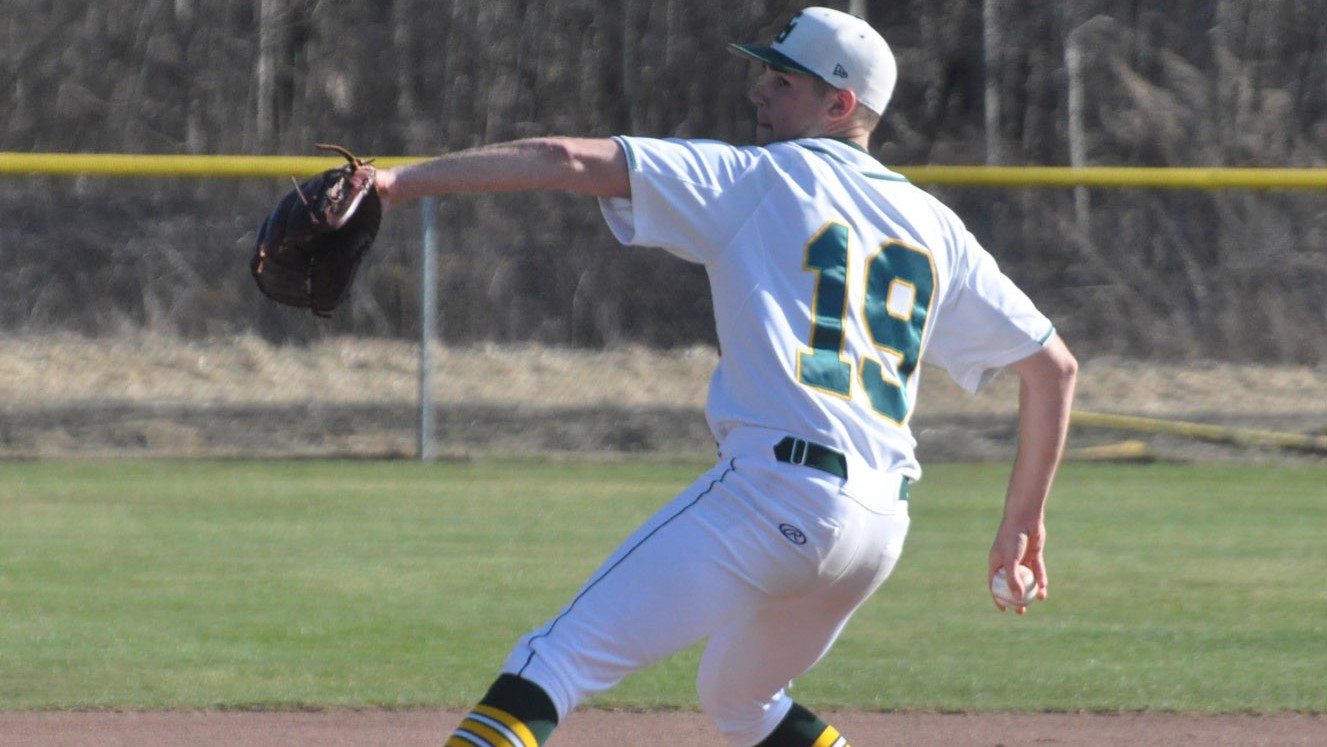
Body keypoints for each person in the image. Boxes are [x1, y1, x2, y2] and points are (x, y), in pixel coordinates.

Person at [374, 7, 1078, 747]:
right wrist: (1021, 521)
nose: (759, 94)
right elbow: (1053, 368)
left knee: (552, 660)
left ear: (838, 105)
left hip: (775, 493)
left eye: (781, 81)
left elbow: (566, 157)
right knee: (741, 697)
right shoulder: (934, 226)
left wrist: (394, 184)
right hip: (876, 526)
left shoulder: (756, 178)